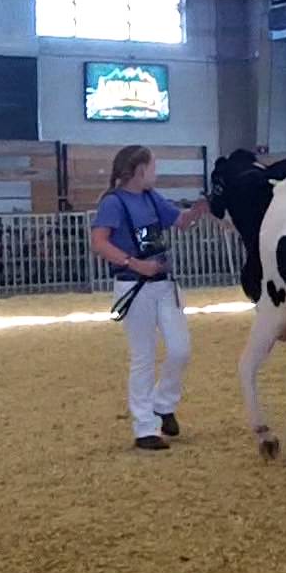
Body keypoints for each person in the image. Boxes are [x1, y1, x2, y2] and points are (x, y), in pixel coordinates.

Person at [90, 145, 208, 451]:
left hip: (163, 283)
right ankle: (144, 427)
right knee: (142, 356)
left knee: (180, 349)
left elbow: (180, 222)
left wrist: (199, 209)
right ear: (139, 170)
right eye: (153, 166)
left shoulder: (151, 197)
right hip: (133, 285)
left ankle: (162, 403)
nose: (156, 171)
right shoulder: (113, 203)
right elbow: (99, 243)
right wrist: (133, 262)